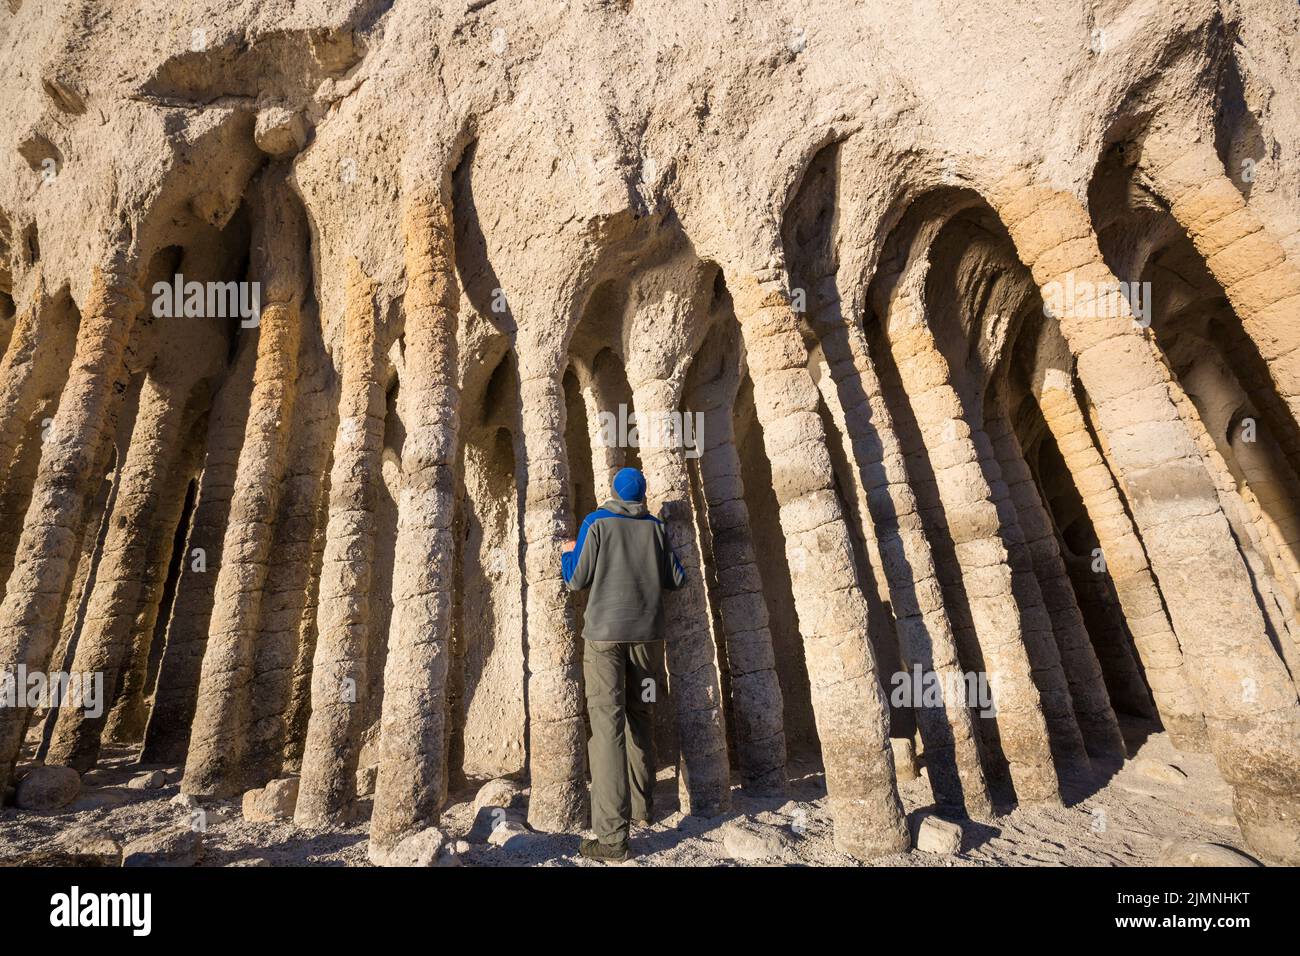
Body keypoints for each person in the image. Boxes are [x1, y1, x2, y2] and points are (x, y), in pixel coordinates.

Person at [561, 466, 686, 862]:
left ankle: (612, 839)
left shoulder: (596, 522)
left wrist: (566, 555)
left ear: (614, 491)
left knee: (606, 728)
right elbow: (677, 580)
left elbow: (577, 580)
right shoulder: (655, 527)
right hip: (647, 641)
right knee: (641, 715)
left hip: (603, 640)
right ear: (642, 495)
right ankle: (642, 808)